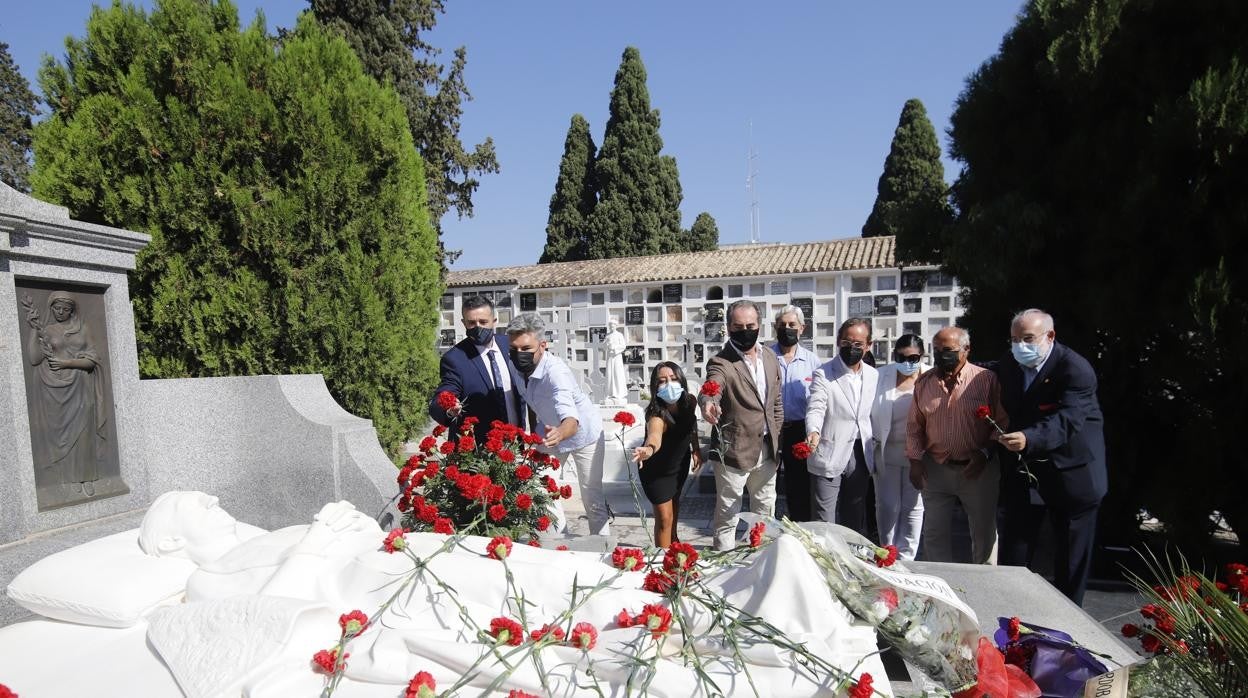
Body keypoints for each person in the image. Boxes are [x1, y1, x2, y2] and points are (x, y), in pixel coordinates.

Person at [995, 309, 1107, 605]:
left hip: (1073, 475)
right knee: (1015, 551)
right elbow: (989, 371)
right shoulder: (1010, 363)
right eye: (1014, 339)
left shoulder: (1075, 369)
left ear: (1050, 336)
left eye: (1028, 338)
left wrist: (1029, 438)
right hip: (1027, 475)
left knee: (1070, 561)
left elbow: (1067, 420)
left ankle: (1069, 627)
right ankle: (1010, 615)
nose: (1020, 346)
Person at [907, 327, 1007, 564]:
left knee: (984, 534)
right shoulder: (924, 382)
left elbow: (1001, 423)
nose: (943, 355)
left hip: (978, 469)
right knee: (934, 533)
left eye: (949, 350)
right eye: (938, 350)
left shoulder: (986, 380)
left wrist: (984, 454)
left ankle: (986, 587)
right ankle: (940, 586)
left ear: (966, 350)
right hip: (937, 467)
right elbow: (914, 426)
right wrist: (914, 461)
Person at [507, 313, 610, 536]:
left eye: (526, 349)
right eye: (514, 349)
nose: (519, 355)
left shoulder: (556, 373)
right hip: (548, 433)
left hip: (583, 434)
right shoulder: (514, 365)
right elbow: (532, 402)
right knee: (542, 489)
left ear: (542, 346)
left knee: (591, 495)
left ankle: (602, 549)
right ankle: (558, 541)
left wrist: (560, 432)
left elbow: (571, 419)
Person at [699, 300, 784, 551]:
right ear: (728, 327)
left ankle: (760, 560)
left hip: (767, 450)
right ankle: (724, 567)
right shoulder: (721, 362)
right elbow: (712, 387)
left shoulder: (769, 356)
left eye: (751, 325)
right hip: (734, 450)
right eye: (738, 326)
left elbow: (775, 401)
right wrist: (708, 402)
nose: (745, 330)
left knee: (765, 513)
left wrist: (778, 436)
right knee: (727, 515)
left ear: (759, 325)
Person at [23, 290, 106, 495]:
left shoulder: (83, 329)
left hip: (81, 387)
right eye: (57, 308)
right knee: (62, 436)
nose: (61, 312)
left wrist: (66, 362)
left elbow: (93, 359)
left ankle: (85, 478)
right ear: (51, 309)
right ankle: (67, 478)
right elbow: (34, 359)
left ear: (72, 310)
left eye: (65, 309)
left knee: (83, 435)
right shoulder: (48, 330)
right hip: (55, 392)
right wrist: (34, 329)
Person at [805, 318, 878, 534]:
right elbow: (816, 407)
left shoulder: (874, 375)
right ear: (838, 341)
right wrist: (813, 431)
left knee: (854, 515)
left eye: (858, 344)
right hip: (829, 448)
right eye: (847, 342)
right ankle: (822, 560)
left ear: (868, 345)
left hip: (861, 452)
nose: (852, 348)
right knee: (823, 518)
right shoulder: (823, 373)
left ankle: (849, 558)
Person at [428, 295, 525, 443]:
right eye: (472, 323)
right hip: (479, 450)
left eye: (483, 322)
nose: (478, 327)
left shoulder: (510, 345)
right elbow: (441, 398)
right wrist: (448, 409)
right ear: (464, 323)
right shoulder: (455, 359)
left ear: (494, 321)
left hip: (515, 442)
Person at [631, 362, 703, 547]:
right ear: (655, 387)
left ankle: (674, 540)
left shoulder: (690, 401)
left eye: (673, 379)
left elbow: (692, 424)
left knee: (675, 504)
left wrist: (695, 449)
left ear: (681, 380)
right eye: (662, 381)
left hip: (678, 464)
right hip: (656, 470)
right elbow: (654, 436)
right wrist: (647, 450)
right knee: (664, 518)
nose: (669, 384)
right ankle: (663, 563)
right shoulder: (656, 415)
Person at [869, 334, 928, 560]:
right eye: (901, 357)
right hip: (886, 451)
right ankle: (887, 552)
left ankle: (908, 557)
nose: (907, 362)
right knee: (887, 505)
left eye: (913, 357)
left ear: (921, 356)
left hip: (918, 455)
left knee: (913, 507)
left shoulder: (930, 376)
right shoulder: (880, 376)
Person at [771, 306, 819, 522]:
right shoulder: (766, 357)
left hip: (799, 429)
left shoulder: (813, 362)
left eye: (792, 325)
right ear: (775, 328)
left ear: (802, 328)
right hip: (771, 428)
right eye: (782, 325)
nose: (787, 329)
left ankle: (800, 526)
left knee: (799, 484)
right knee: (765, 482)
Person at [605, 319, 628, 404]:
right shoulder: (607, 335)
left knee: (617, 374)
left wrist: (614, 348)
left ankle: (619, 393)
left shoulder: (619, 335)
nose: (611, 326)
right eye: (610, 325)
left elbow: (623, 346)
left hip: (617, 357)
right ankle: (610, 393)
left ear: (616, 326)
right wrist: (607, 345)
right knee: (610, 374)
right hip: (610, 358)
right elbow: (604, 346)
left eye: (613, 325)